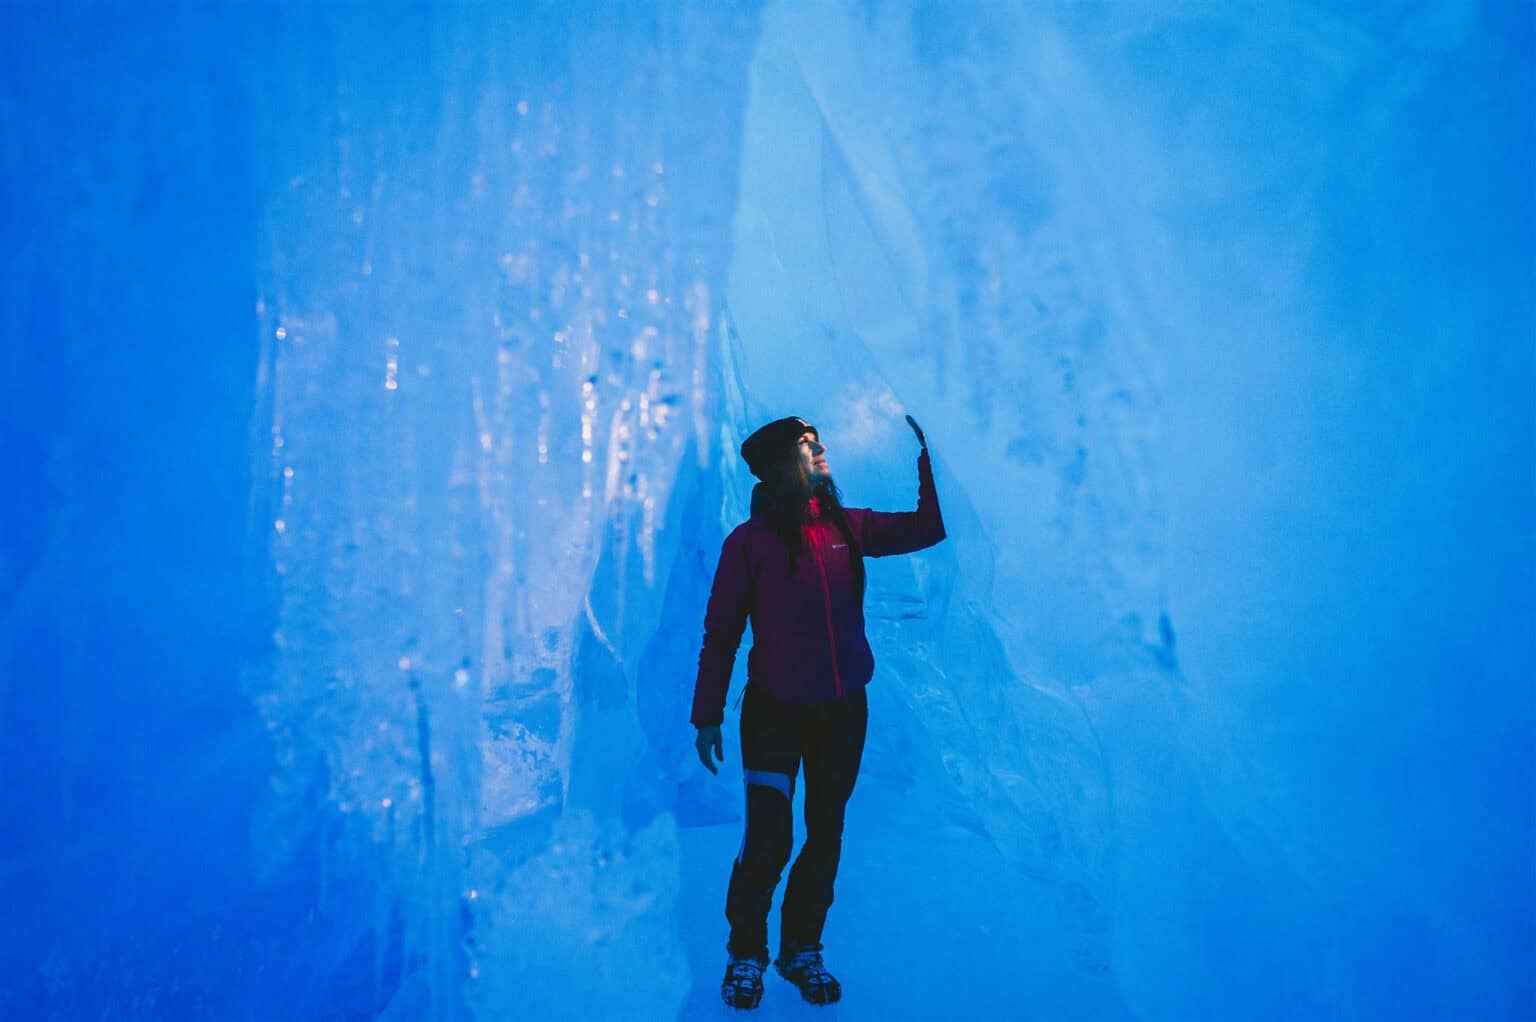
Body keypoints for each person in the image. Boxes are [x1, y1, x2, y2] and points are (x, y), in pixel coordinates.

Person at [690, 413, 947, 1010]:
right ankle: (746, 954)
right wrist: (707, 715)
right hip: (773, 715)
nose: (822, 450)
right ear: (784, 463)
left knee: (825, 832)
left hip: (841, 712)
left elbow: (929, 526)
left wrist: (934, 454)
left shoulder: (847, 528)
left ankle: (801, 949)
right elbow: (722, 632)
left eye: (818, 442)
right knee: (769, 839)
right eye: (808, 446)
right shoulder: (747, 544)